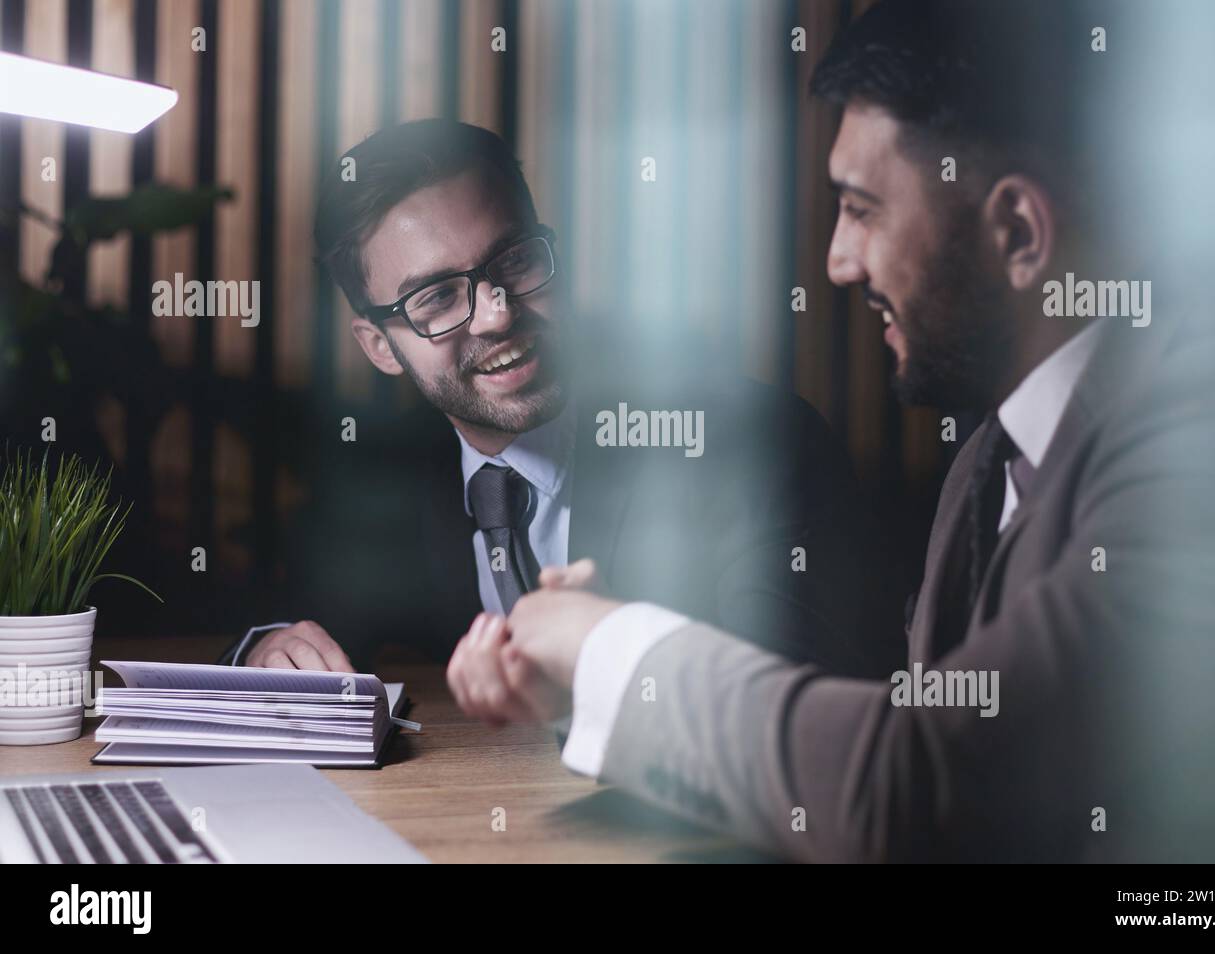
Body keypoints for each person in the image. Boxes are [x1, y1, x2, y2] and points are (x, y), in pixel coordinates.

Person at [446, 0, 1215, 861]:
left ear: (1018, 231)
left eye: (862, 210)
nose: (837, 262)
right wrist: (578, 683)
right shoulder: (987, 460)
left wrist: (609, 650)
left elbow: (920, 782)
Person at [221, 119, 898, 681]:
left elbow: (801, 704)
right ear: (377, 344)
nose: (494, 315)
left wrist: (603, 657)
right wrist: (268, 646)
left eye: (514, 261)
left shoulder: (748, 444)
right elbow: (296, 611)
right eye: (436, 298)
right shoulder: (381, 474)